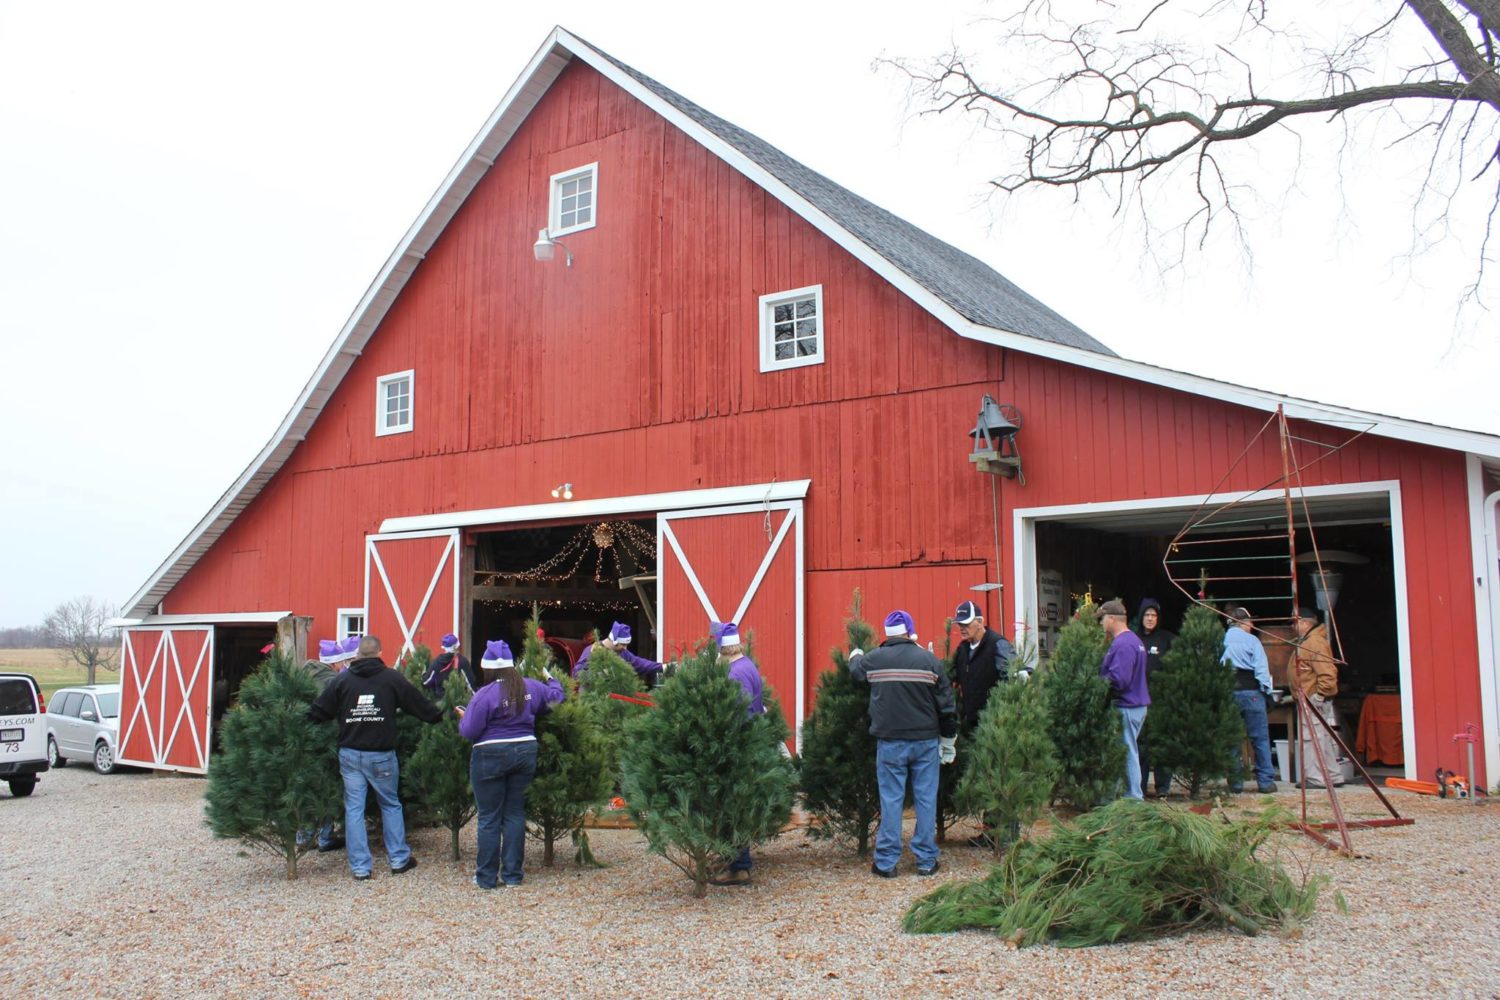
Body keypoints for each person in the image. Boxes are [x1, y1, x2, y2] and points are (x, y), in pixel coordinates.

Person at [307, 634, 444, 880]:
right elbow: (419, 705)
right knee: (390, 804)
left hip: (349, 754)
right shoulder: (392, 678)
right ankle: (399, 860)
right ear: (380, 653)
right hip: (381, 754)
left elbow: (318, 711)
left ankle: (360, 868)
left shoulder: (343, 680)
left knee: (354, 810)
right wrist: (438, 715)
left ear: (357, 654)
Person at [849, 609, 958, 879]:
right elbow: (946, 705)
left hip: (890, 743)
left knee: (891, 800)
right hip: (925, 741)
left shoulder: (874, 660)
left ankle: (886, 863)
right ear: (910, 632)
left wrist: (855, 655)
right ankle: (925, 860)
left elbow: (856, 672)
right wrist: (948, 738)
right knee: (925, 798)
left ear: (887, 634)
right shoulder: (928, 660)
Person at [458, 639, 565, 889]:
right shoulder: (530, 687)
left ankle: (486, 877)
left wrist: (464, 717)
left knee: (489, 817)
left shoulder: (484, 695)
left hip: (489, 755)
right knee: (515, 813)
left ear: (487, 667)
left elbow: (470, 731)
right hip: (525, 751)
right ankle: (513, 875)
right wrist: (552, 679)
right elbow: (556, 699)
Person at [706, 621, 767, 887]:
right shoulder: (747, 665)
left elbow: (738, 713)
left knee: (733, 807)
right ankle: (732, 858)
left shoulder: (735, 674)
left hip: (737, 748)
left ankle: (739, 866)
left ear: (722, 647)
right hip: (746, 744)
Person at [297, 636, 359, 852]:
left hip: (302, 742)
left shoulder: (300, 677)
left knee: (306, 788)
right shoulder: (334, 681)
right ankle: (325, 836)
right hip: (328, 741)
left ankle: (303, 836)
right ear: (336, 663)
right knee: (329, 788)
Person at [1096, 599, 1150, 800]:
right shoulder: (1133, 640)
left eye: (1102, 619)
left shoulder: (1124, 644)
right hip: (1135, 704)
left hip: (1127, 705)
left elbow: (1120, 679)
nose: (1101, 623)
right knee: (1126, 750)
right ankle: (1122, 796)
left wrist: (1099, 681)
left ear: (1111, 619)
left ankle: (1134, 798)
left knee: (1127, 751)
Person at [1220, 606, 1278, 794]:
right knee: (1260, 739)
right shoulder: (1253, 641)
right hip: (1252, 692)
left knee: (1232, 740)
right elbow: (1261, 670)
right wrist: (1267, 693)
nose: (1252, 625)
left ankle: (1235, 783)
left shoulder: (1221, 640)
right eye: (1250, 622)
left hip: (1229, 692)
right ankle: (1266, 782)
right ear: (1243, 622)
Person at [1290, 607, 1344, 787]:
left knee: (1311, 737)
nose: (1292, 625)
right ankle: (1332, 775)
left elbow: (1327, 672)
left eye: (1294, 621)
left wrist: (1320, 695)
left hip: (1313, 697)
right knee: (1321, 737)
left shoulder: (1314, 643)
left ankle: (1316, 778)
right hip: (1311, 695)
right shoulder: (1310, 641)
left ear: (1305, 623)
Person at [1132, 598, 1177, 797]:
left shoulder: (1168, 640)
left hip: (1161, 700)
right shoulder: (1133, 640)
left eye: (1154, 615)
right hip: (1139, 700)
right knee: (1140, 745)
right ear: (1141, 617)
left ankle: (1162, 788)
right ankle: (1139, 787)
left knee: (1162, 744)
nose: (1150, 619)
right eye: (1147, 615)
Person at [951, 599, 1017, 731]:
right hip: (971, 723)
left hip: (995, 725)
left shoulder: (998, 644)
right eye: (959, 624)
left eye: (966, 623)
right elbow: (952, 675)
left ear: (980, 622)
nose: (962, 628)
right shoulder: (962, 649)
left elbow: (1012, 676)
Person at [572, 621, 662, 684]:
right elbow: (576, 673)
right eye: (623, 644)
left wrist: (662, 667)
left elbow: (640, 664)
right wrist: (601, 674)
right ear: (614, 641)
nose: (625, 648)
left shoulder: (623, 653)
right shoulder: (592, 650)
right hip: (592, 703)